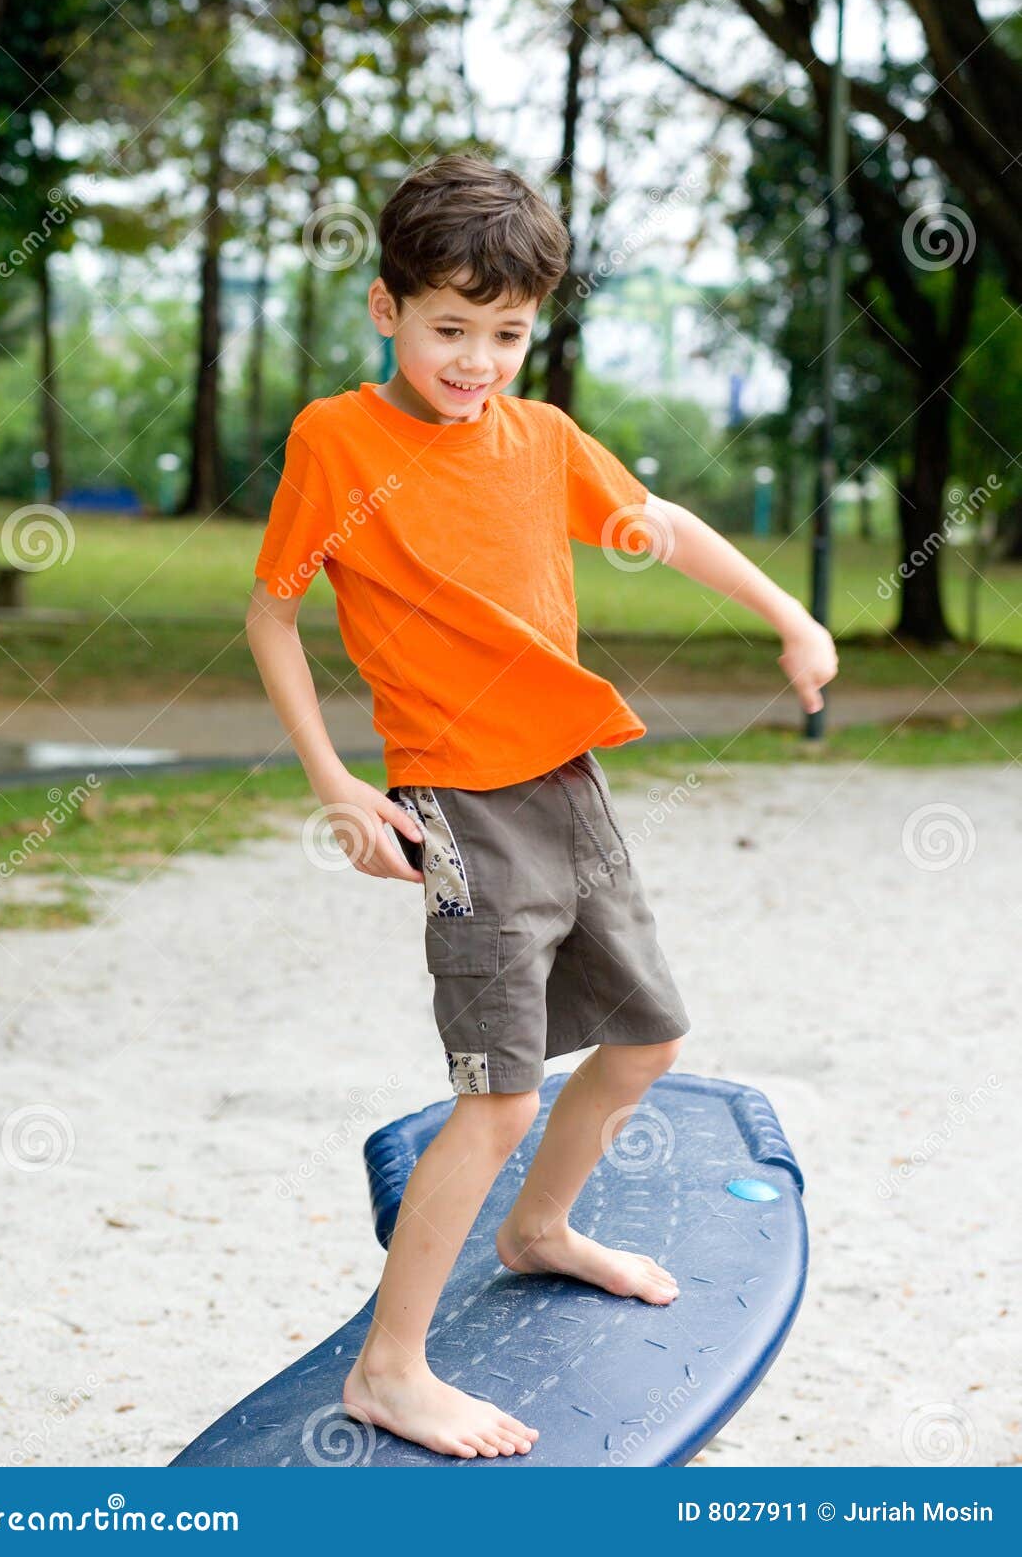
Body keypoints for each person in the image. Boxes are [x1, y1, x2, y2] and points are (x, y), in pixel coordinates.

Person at [246, 153, 837, 1461]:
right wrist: (337, 780)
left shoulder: (542, 436)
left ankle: (539, 1227)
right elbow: (273, 608)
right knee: (498, 1094)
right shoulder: (337, 442)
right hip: (458, 799)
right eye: (451, 327)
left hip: (568, 780)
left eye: (506, 334)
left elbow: (658, 522)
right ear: (385, 309)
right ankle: (388, 1368)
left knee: (644, 1037)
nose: (477, 359)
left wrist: (790, 614)